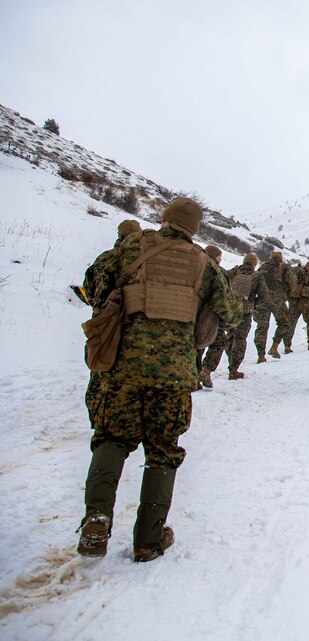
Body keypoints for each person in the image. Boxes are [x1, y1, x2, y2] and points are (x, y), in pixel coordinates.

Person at [77, 198, 240, 562]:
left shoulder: (133, 246)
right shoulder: (203, 263)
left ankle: (97, 520)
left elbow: (92, 284)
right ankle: (148, 541)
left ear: (165, 219)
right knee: (163, 451)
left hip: (122, 367)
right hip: (174, 373)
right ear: (194, 229)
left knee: (111, 439)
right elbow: (231, 313)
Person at [82, 219, 142, 425]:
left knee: (98, 366)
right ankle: (115, 419)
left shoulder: (105, 258)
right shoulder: (137, 260)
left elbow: (88, 288)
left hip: (100, 319)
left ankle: (95, 416)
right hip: (123, 321)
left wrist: (99, 308)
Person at [224, 253, 269, 379]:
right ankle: (234, 369)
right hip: (245, 312)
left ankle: (230, 363)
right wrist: (253, 304)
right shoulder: (257, 277)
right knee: (240, 339)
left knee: (230, 337)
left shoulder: (234, 272)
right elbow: (264, 295)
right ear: (254, 264)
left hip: (230, 311)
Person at [198, 245, 230, 388]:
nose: (221, 259)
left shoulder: (195, 265)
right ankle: (206, 370)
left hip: (190, 313)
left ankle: (194, 375)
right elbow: (224, 298)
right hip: (210, 316)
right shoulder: (219, 272)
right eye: (219, 256)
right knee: (218, 342)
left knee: (195, 346)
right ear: (215, 256)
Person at [254, 251, 293, 361]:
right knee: (285, 324)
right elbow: (292, 282)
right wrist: (286, 294)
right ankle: (274, 346)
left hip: (263, 299)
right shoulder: (285, 268)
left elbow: (255, 280)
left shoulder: (263, 267)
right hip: (278, 300)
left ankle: (261, 356)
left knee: (261, 327)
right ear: (281, 258)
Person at [285, 260, 309, 351]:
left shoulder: (297, 272)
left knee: (291, 322)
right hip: (305, 301)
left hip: (293, 300)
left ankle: (287, 345)